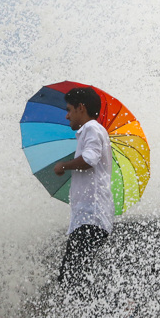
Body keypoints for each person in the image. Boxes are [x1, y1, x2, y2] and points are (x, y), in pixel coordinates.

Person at [53, 86, 115, 294]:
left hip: (91, 217)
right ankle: (111, 311)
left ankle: (119, 308)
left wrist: (64, 165)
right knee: (74, 277)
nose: (67, 115)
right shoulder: (90, 132)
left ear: (81, 107)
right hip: (87, 218)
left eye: (70, 109)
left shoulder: (91, 128)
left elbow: (89, 160)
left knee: (70, 277)